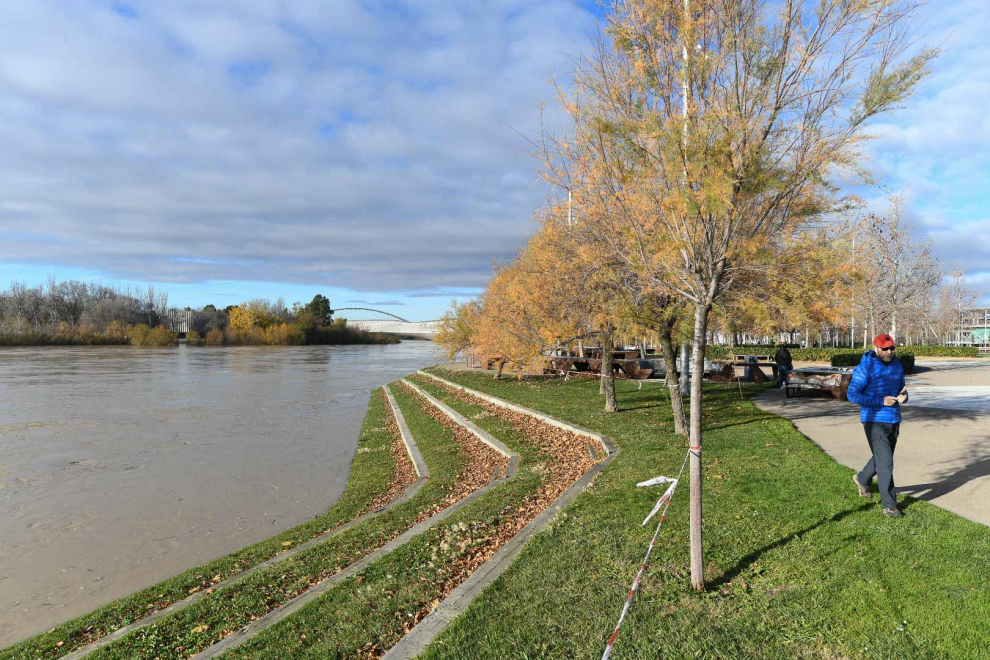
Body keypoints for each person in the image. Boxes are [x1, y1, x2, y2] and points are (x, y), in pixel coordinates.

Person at [846, 333, 909, 517]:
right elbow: (852, 394)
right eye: (885, 349)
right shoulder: (865, 368)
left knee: (882, 458)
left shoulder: (897, 366)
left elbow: (902, 389)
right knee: (886, 463)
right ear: (876, 348)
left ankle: (862, 479)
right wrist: (880, 400)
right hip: (873, 419)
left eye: (892, 348)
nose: (889, 352)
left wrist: (905, 397)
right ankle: (889, 505)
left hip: (894, 418)